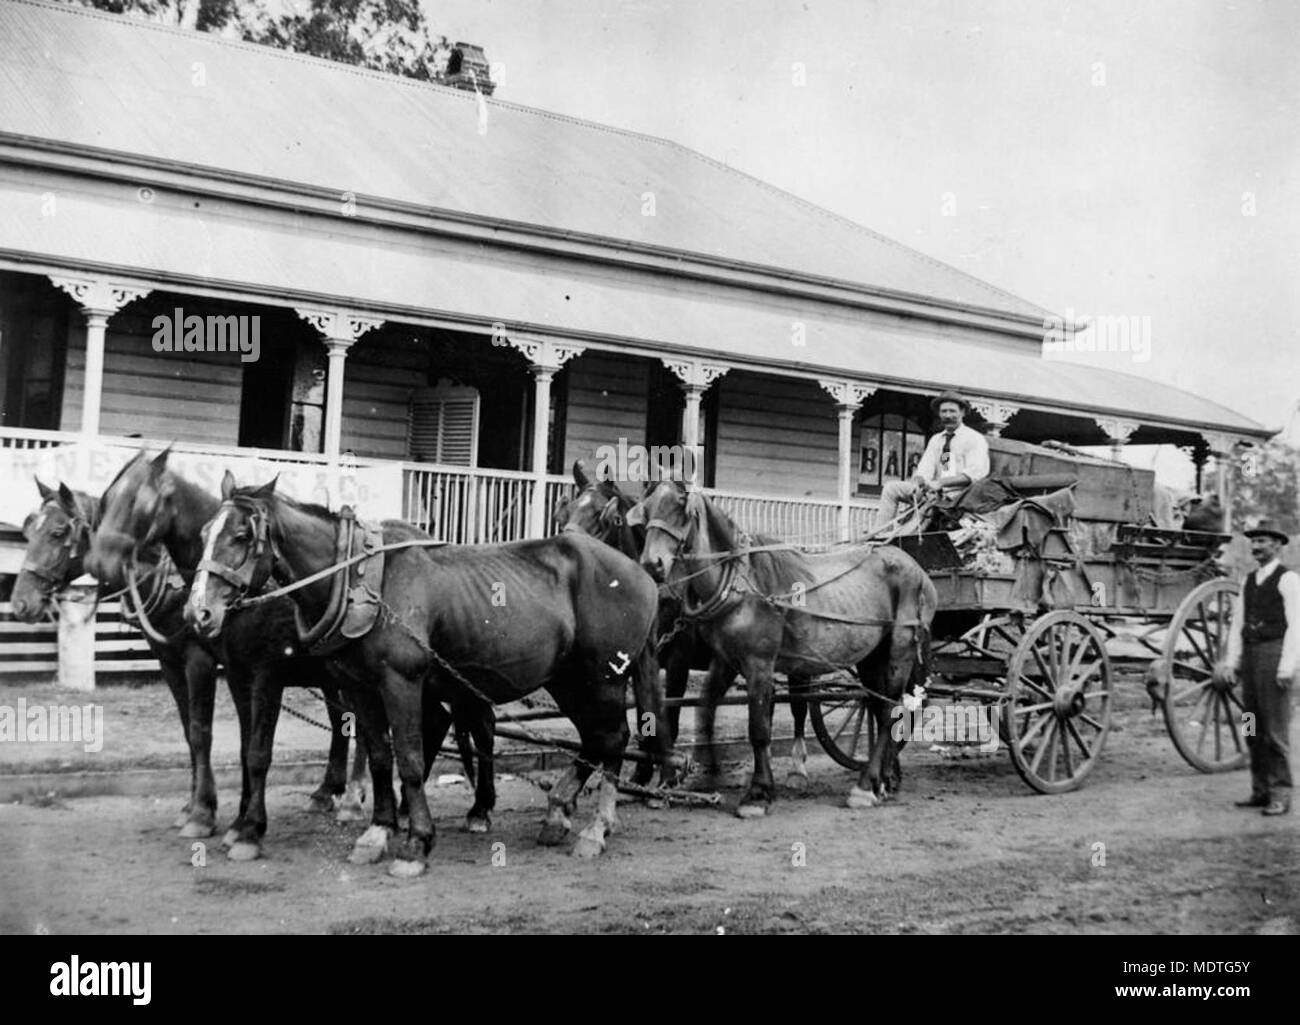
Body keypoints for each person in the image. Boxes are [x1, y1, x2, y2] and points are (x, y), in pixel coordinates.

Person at [1216, 520, 1296, 815]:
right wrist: (1232, 662)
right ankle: (1260, 790)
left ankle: (1280, 794)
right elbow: (1237, 625)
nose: (1256, 546)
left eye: (1262, 541)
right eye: (1254, 541)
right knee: (1251, 727)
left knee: (1274, 731)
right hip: (1250, 659)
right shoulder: (1248, 581)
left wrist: (1287, 667)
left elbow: (1296, 628)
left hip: (1273, 658)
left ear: (1277, 545)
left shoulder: (1288, 580)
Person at [876, 390, 990, 531]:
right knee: (891, 488)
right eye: (944, 411)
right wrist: (919, 481)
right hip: (933, 493)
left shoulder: (974, 439)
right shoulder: (937, 439)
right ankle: (880, 533)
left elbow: (974, 474)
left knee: (911, 529)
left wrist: (940, 483)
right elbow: (925, 468)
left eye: (952, 411)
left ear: (963, 412)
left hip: (959, 497)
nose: (948, 416)